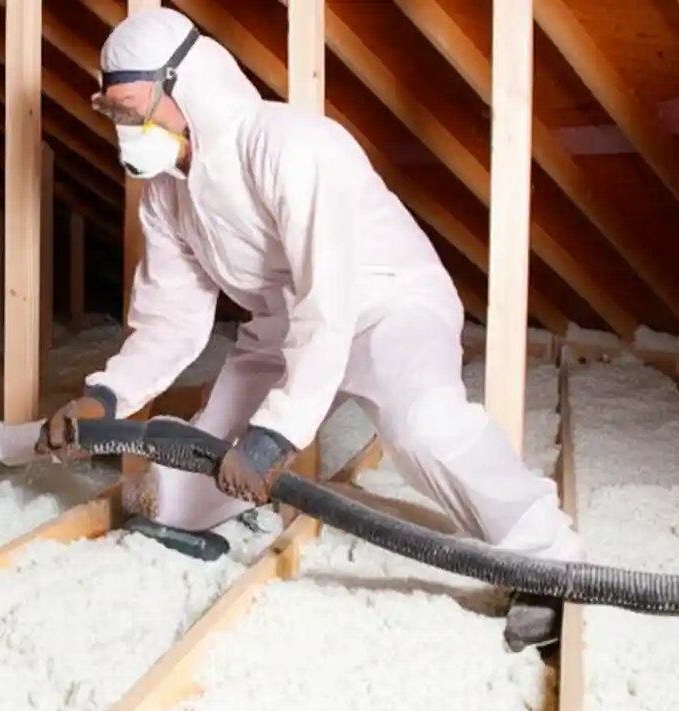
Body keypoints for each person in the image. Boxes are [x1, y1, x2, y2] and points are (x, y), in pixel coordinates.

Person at [32, 8, 583, 653]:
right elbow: (171, 320)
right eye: (114, 115)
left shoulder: (291, 144)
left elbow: (331, 297)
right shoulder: (166, 191)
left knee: (423, 427)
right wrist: (105, 398)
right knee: (179, 499)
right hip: (284, 325)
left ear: (183, 85)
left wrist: (274, 435)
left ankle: (547, 561)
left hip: (384, 305)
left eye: (132, 110)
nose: (126, 131)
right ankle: (211, 490)